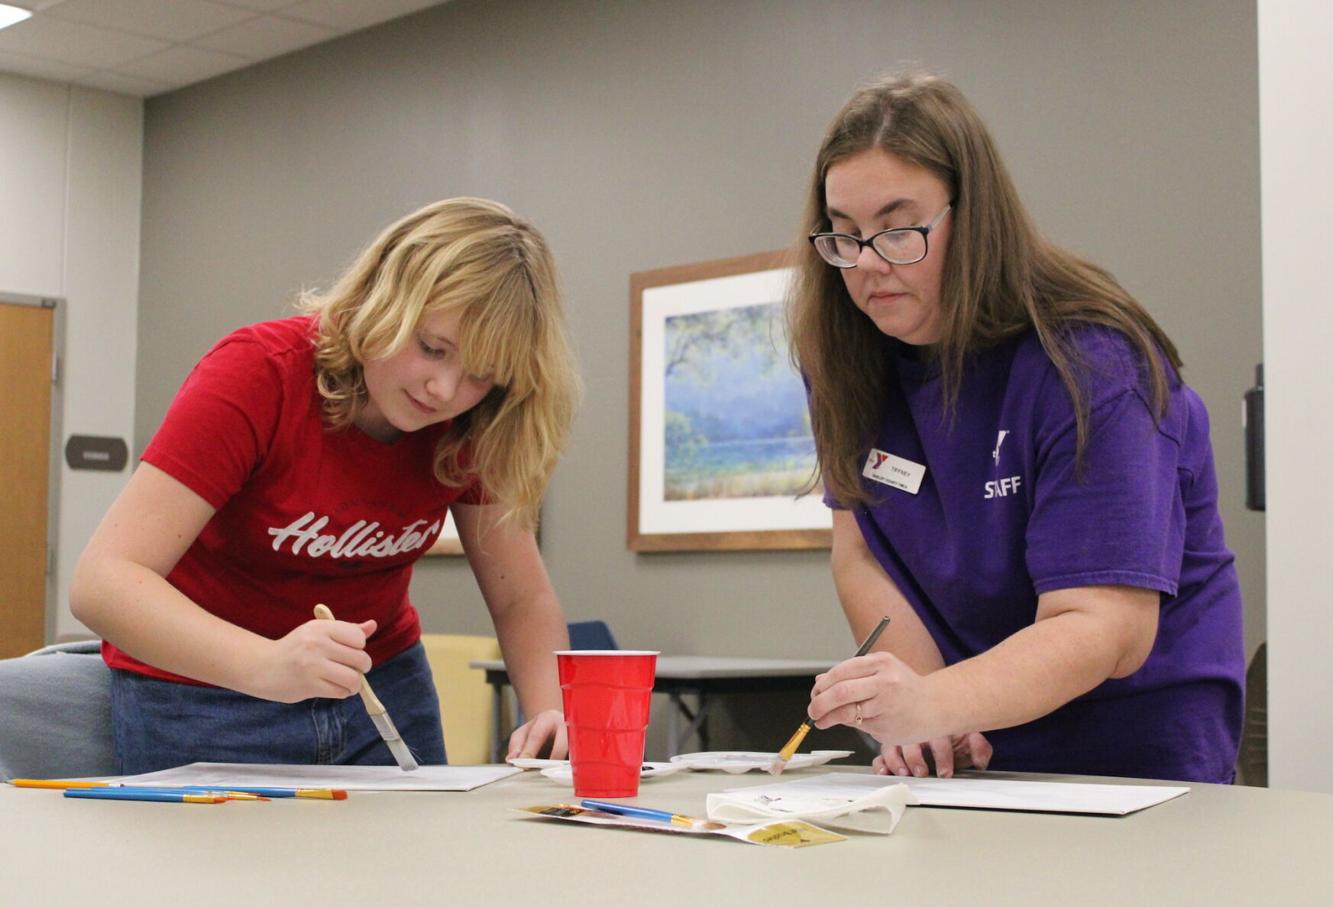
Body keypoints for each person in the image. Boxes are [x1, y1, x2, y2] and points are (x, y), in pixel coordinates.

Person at [789, 74, 1244, 783]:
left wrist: (933, 701)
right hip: (975, 750)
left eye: (898, 230)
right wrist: (922, 708)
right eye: (844, 236)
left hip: (1133, 759)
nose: (869, 264)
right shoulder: (846, 361)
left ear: (970, 217)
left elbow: (1102, 625)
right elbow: (862, 552)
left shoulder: (1091, 362)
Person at [71, 198, 580, 773]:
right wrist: (265, 664)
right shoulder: (258, 376)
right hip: (203, 694)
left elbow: (521, 597)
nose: (443, 389)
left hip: (381, 689)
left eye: (481, 375)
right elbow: (104, 582)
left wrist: (552, 713)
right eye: (432, 348)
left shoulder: (475, 423)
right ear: (380, 301)